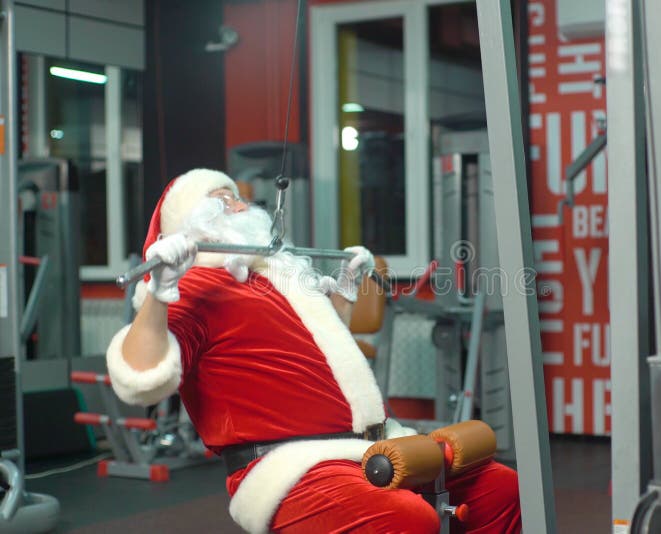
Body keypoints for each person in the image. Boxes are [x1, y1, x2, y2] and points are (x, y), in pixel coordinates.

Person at [106, 168, 521, 533]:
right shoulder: (195, 286)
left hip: (372, 447)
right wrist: (159, 294)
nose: (236, 204)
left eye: (235, 196)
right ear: (191, 226)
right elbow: (140, 378)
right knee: (407, 519)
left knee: (501, 489)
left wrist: (342, 292)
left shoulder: (279, 275)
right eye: (219, 201)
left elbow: (322, 361)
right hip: (292, 467)